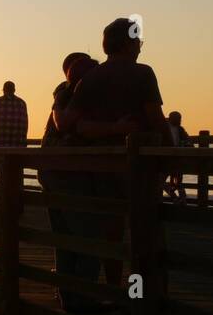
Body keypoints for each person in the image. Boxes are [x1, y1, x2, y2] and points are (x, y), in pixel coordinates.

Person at [63, 17, 171, 290]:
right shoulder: (143, 73)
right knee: (145, 229)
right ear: (128, 43)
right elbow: (156, 118)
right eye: (138, 41)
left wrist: (104, 130)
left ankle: (115, 289)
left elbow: (72, 123)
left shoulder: (90, 78)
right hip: (140, 165)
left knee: (111, 231)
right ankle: (146, 291)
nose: (140, 48)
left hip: (103, 165)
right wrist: (172, 153)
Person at [41, 52, 110, 313]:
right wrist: (120, 128)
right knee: (89, 236)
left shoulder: (65, 92)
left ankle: (68, 295)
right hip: (67, 173)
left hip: (52, 170)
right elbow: (74, 127)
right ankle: (82, 298)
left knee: (65, 236)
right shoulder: (72, 93)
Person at [0, 81, 29, 148]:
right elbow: (24, 125)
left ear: (3, 90)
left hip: (0, 144)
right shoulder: (21, 103)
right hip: (17, 145)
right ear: (14, 90)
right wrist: (22, 142)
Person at [164, 111, 191, 202]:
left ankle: (177, 195)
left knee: (178, 176)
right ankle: (174, 193)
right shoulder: (164, 128)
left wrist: (188, 144)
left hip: (177, 157)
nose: (180, 121)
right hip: (164, 157)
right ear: (171, 118)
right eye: (178, 119)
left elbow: (188, 140)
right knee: (163, 178)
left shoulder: (180, 129)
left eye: (180, 119)